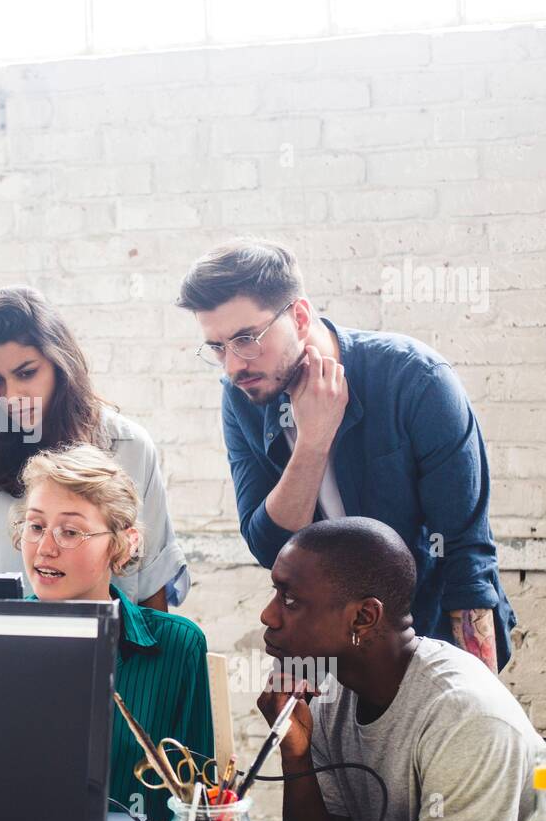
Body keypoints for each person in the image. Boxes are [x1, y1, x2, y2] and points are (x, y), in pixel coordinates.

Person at [177, 237, 515, 671]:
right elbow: (270, 547)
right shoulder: (244, 395)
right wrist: (313, 442)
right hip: (328, 652)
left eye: (246, 338)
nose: (233, 366)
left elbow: (466, 559)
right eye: (218, 347)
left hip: (429, 643)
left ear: (299, 316)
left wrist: (475, 699)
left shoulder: (415, 381)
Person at [257, 517, 546, 821]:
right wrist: (296, 755)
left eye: (289, 600)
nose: (268, 615)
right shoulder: (326, 702)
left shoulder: (466, 718)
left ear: (364, 617)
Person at [0, 285, 189, 610]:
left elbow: (150, 581)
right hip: (10, 652)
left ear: (61, 364)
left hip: (118, 653)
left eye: (26, 373)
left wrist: (151, 659)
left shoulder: (130, 446)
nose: (11, 396)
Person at [12, 443, 211, 821]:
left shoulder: (178, 646)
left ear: (122, 544)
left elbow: (196, 806)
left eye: (70, 532)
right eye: (36, 526)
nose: (45, 548)